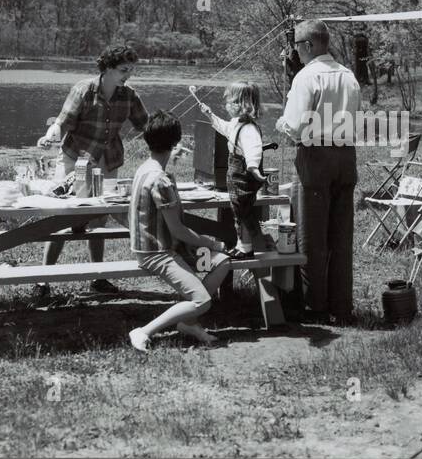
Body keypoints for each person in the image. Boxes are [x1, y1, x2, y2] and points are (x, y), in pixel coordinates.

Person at [35, 43, 148, 298]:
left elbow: (146, 126)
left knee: (99, 219)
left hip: (108, 162)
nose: (127, 74)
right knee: (62, 218)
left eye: (130, 70)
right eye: (122, 69)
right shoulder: (83, 90)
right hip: (74, 160)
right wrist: (49, 136)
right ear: (107, 68)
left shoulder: (129, 95)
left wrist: (169, 144)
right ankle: (43, 279)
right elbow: (62, 124)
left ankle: (98, 278)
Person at [276, 19, 361, 323]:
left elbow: (296, 125)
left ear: (308, 46)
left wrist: (282, 124)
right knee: (340, 235)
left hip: (315, 155)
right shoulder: (349, 76)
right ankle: (341, 303)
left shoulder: (307, 76)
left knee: (310, 234)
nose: (295, 53)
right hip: (345, 155)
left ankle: (315, 305)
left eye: (297, 47)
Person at [127, 111, 231, 352]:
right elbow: (179, 230)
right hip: (156, 253)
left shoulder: (147, 168)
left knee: (222, 262)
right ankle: (144, 331)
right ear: (175, 142)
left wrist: (211, 249)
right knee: (202, 300)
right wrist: (210, 243)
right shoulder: (160, 180)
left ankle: (188, 322)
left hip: (171, 247)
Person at [189, 81, 269, 258]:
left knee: (243, 212)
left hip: (244, 175)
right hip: (235, 175)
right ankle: (248, 244)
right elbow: (225, 129)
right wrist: (211, 116)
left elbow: (254, 150)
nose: (226, 104)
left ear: (241, 105)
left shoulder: (249, 129)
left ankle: (247, 247)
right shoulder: (235, 123)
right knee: (238, 212)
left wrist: (253, 167)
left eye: (229, 101)